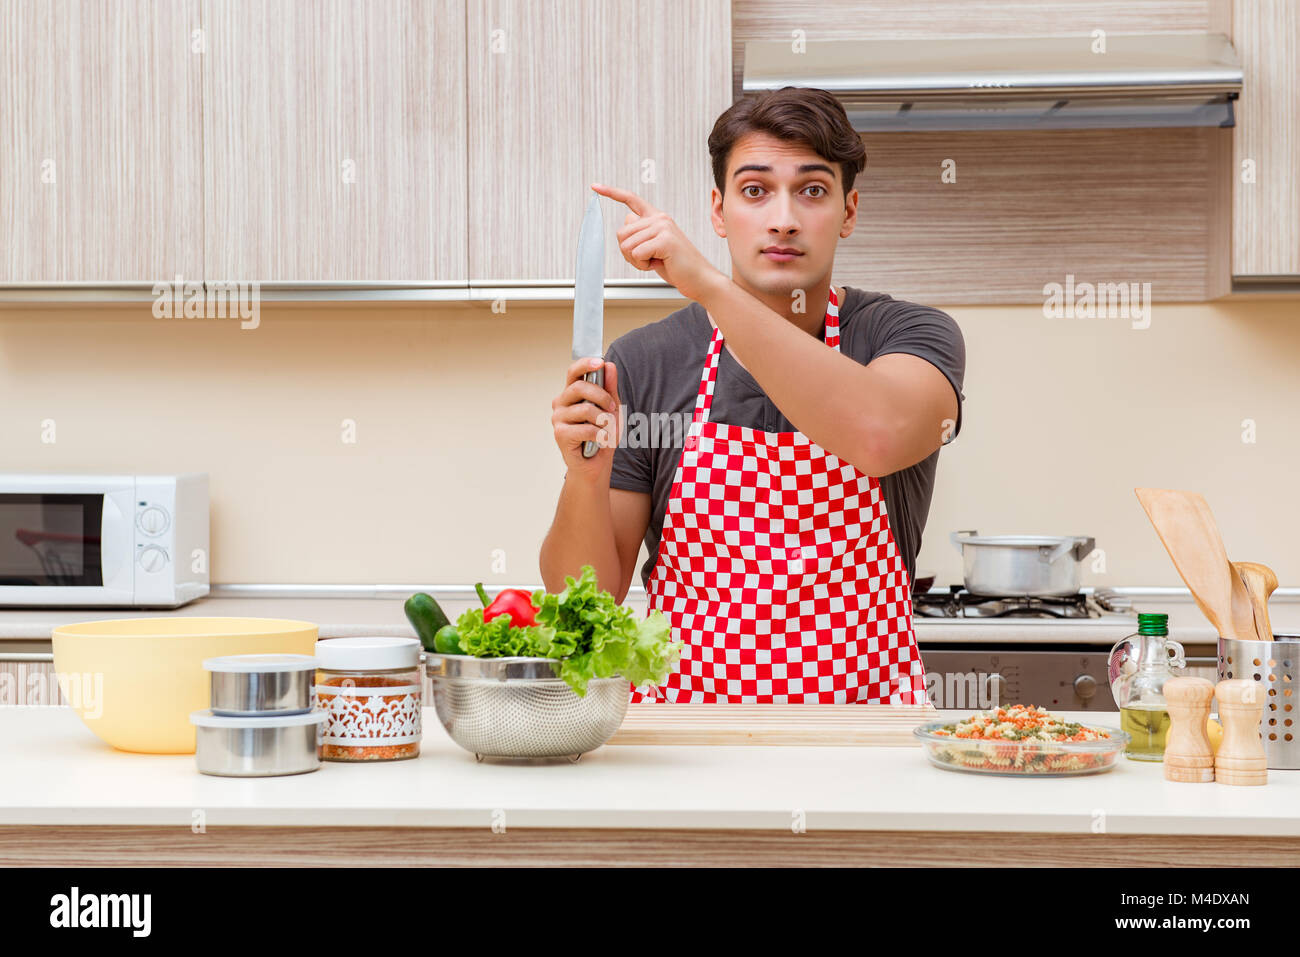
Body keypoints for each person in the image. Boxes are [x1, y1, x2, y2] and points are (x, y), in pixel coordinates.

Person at [540, 86, 965, 704]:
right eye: (756, 190)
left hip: (867, 740)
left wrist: (708, 285)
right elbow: (585, 602)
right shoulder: (645, 362)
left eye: (813, 191)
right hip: (687, 747)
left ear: (849, 211)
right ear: (719, 211)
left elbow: (878, 436)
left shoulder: (907, 336)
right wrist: (584, 477)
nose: (784, 218)